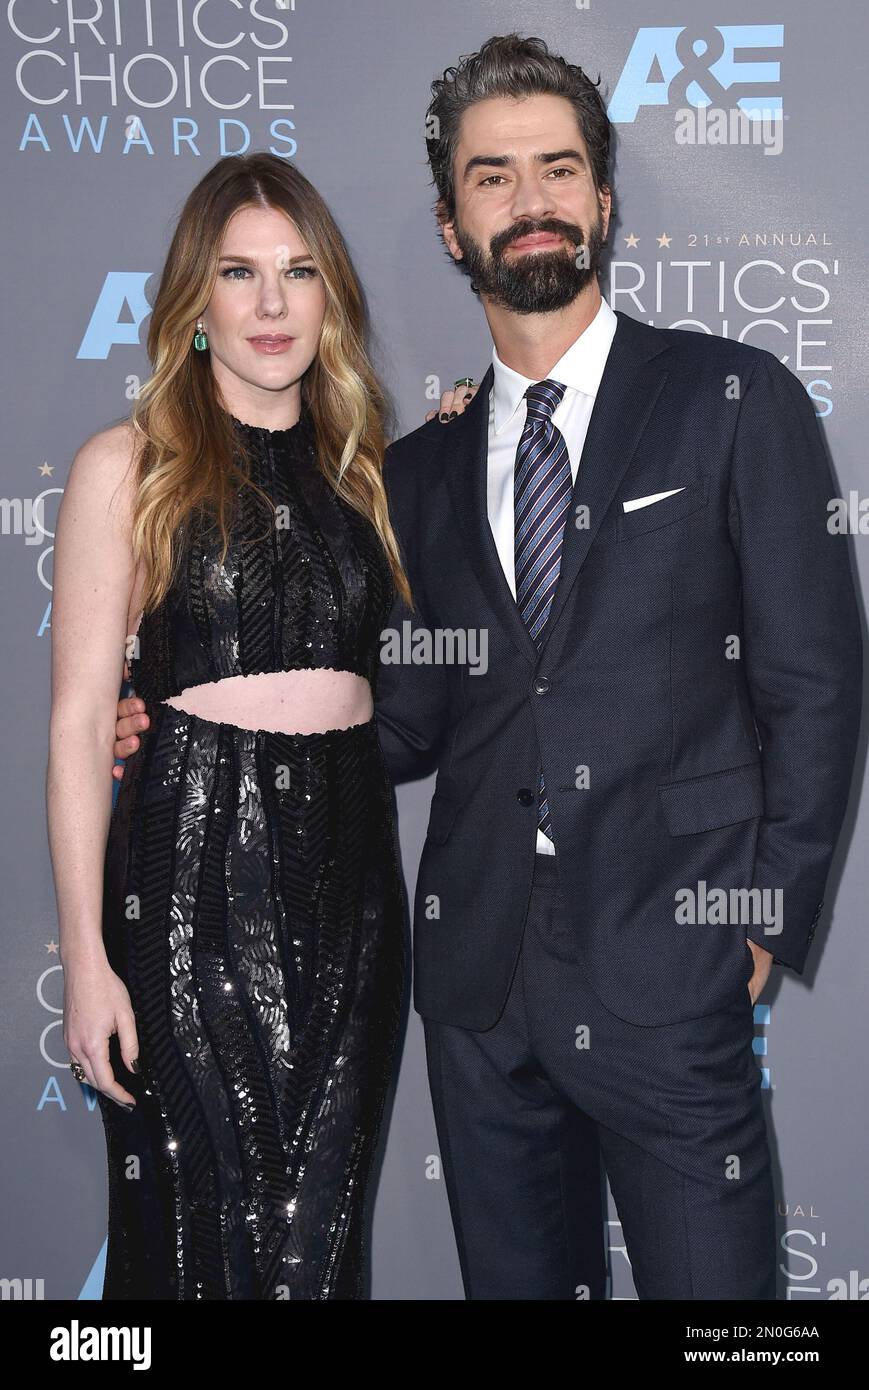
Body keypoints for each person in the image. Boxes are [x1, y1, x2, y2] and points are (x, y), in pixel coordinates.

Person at [112, 35, 863, 1300]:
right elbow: (398, 715)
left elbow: (814, 678)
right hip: (476, 995)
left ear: (603, 200)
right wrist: (202, 727)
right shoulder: (409, 473)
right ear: (451, 226)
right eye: (492, 178)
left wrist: (755, 925)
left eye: (557, 170)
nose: (530, 203)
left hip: (670, 972)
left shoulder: (733, 399)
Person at [46, 151, 475, 1301]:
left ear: (331, 293)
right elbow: (85, 719)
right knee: (199, 1237)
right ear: (196, 302)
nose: (272, 304)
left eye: (297, 273)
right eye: (239, 273)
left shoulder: (373, 472)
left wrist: (465, 423)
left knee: (320, 1239)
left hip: (350, 884)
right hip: (188, 882)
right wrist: (86, 962)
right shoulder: (125, 467)